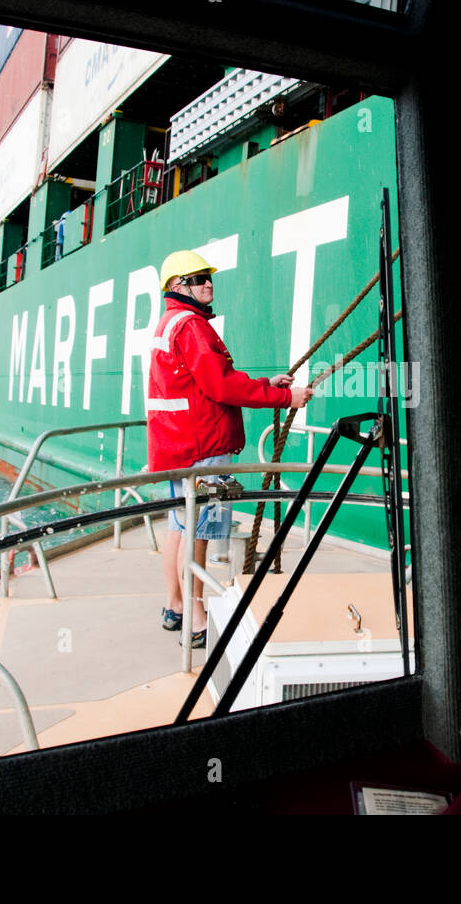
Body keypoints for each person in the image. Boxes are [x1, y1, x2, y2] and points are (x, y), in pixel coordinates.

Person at [147, 249, 313, 648]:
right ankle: (198, 619)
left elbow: (207, 382)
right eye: (198, 278)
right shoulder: (192, 327)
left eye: (209, 277)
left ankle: (175, 607)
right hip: (203, 446)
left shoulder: (171, 323)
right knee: (198, 531)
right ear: (176, 286)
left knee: (179, 526)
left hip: (177, 445)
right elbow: (220, 386)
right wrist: (284, 399)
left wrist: (265, 385)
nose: (208, 284)